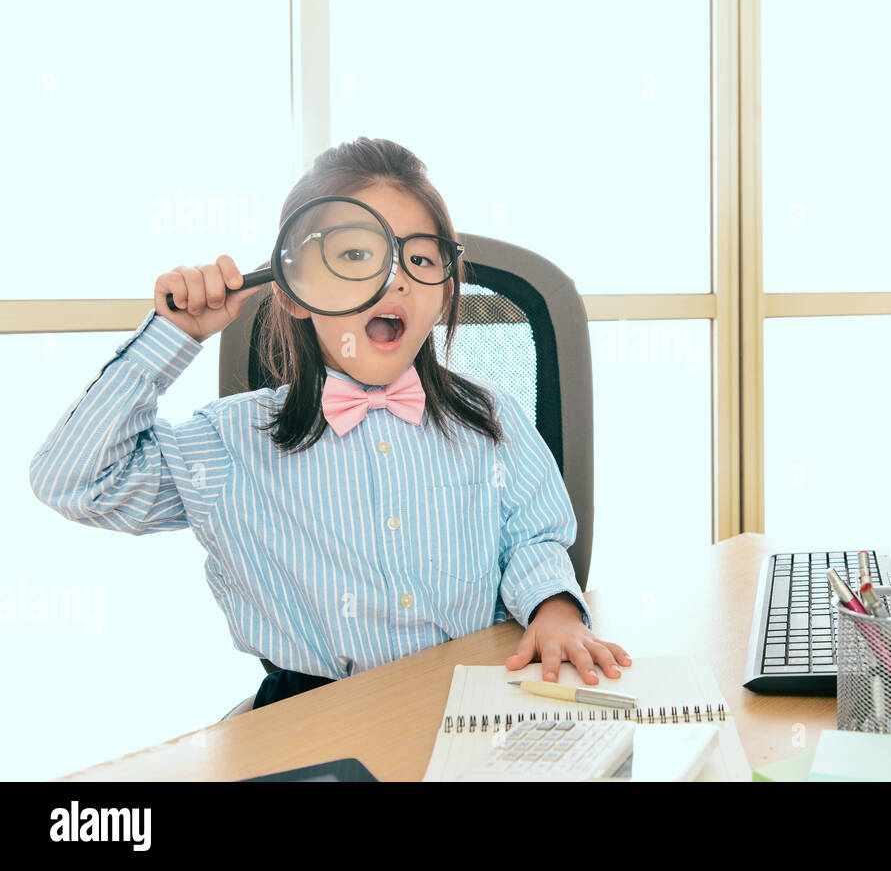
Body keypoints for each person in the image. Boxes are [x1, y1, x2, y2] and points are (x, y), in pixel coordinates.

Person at [29, 137, 630, 709]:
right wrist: (174, 337)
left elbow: (534, 538)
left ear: (445, 291)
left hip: (475, 695)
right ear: (292, 290)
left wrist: (554, 607)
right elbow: (75, 481)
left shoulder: (492, 420)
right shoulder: (229, 442)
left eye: (419, 258)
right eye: (354, 255)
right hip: (314, 713)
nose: (393, 278)